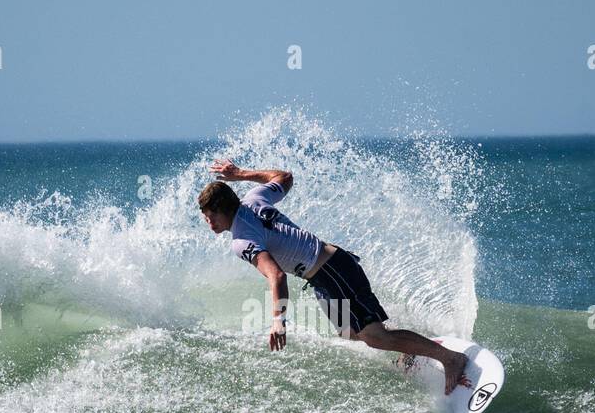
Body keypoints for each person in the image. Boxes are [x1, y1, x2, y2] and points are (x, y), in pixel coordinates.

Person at [198, 159, 470, 394]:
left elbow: (277, 276)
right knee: (349, 333)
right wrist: (241, 174)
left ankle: (450, 358)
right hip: (323, 274)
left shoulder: (242, 241)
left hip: (332, 270)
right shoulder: (254, 197)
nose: (210, 224)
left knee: (374, 337)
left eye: (212, 217)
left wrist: (278, 321)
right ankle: (406, 344)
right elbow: (284, 177)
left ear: (225, 210)